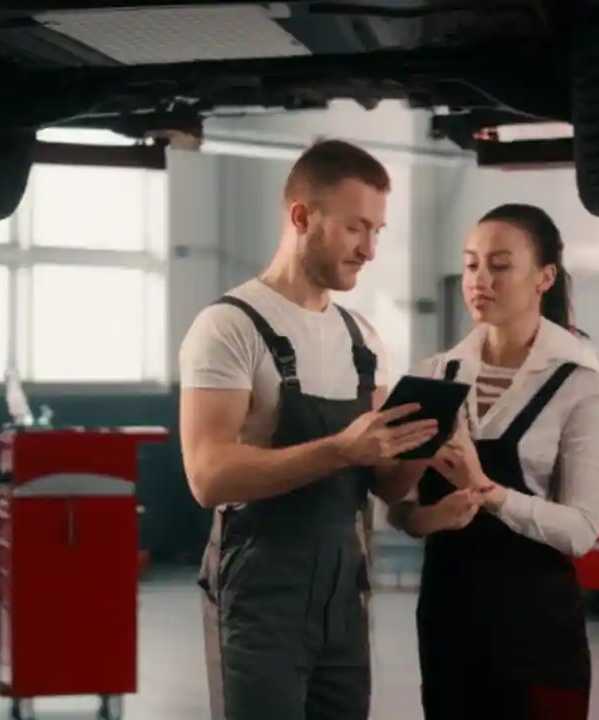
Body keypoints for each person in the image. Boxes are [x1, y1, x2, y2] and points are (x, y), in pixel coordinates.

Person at [178, 139, 439, 720]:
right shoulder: (228, 327)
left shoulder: (363, 339)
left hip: (345, 590)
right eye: (355, 228)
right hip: (260, 589)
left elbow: (388, 486)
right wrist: (341, 449)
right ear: (302, 217)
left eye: (378, 230)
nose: (370, 249)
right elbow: (208, 475)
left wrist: (427, 443)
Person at [387, 203, 599, 720]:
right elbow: (397, 507)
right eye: (471, 265)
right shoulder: (435, 375)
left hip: (535, 633)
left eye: (500, 265)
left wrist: (487, 491)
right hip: (448, 624)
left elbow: (582, 529)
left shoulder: (578, 382)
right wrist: (429, 519)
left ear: (545, 277)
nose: (480, 279)